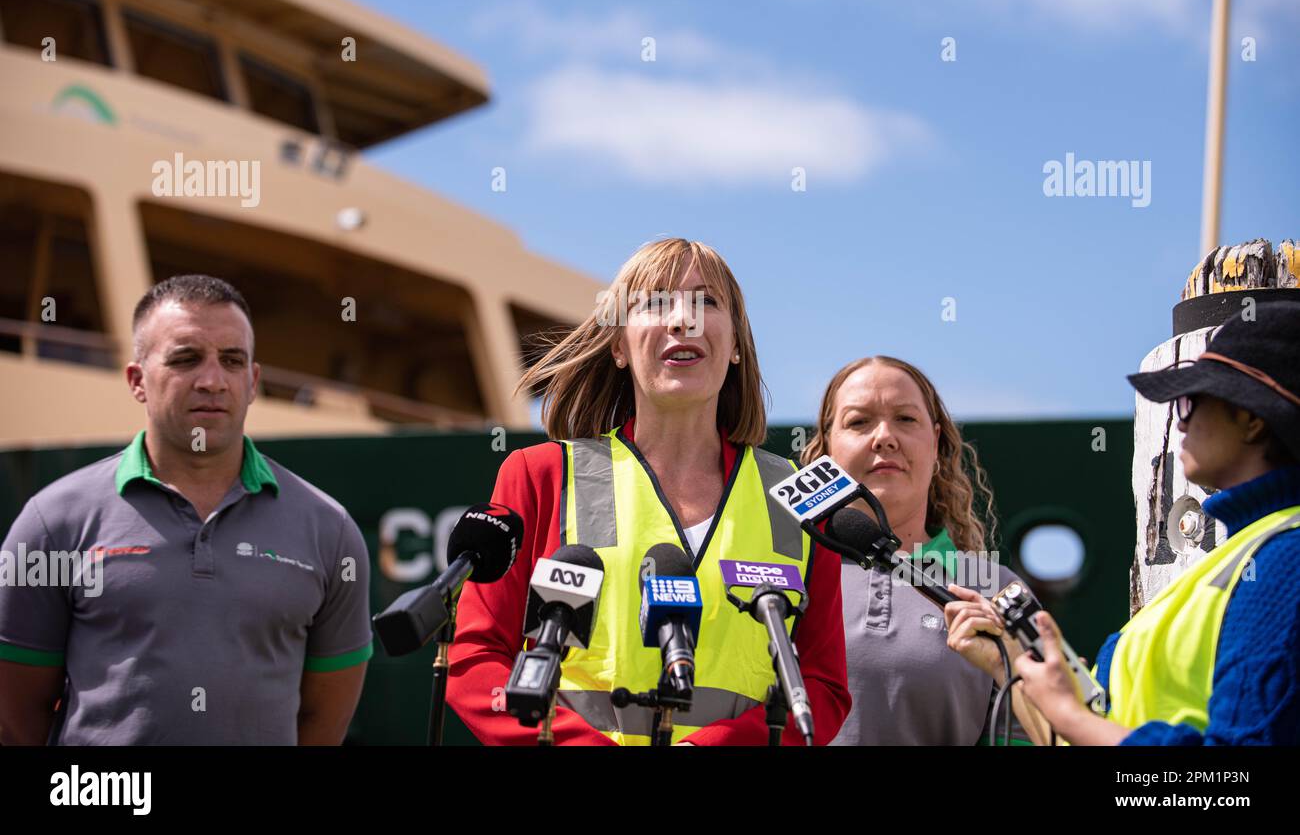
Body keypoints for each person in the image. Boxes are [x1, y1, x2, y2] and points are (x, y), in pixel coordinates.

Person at [447, 238, 850, 745]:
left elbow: (824, 686)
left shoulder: (796, 497)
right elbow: (475, 659)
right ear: (618, 346)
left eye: (706, 301)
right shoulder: (539, 475)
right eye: (655, 303)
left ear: (737, 346)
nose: (683, 320)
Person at [0, 275, 373, 744]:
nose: (213, 381)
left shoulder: (329, 530)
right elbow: (17, 720)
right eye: (186, 359)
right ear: (137, 380)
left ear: (253, 381)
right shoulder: (52, 522)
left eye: (232, 361)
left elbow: (324, 720)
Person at [948, 301, 1300, 745]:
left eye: (1191, 401)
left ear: (1251, 421)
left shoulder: (1285, 560)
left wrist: (1070, 716)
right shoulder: (1250, 553)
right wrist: (1009, 658)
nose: (1177, 418)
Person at [803, 355, 1035, 745]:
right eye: (858, 421)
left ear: (936, 442)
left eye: (906, 419)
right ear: (826, 448)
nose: (884, 437)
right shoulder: (787, 571)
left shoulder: (998, 588)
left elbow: (1042, 732)